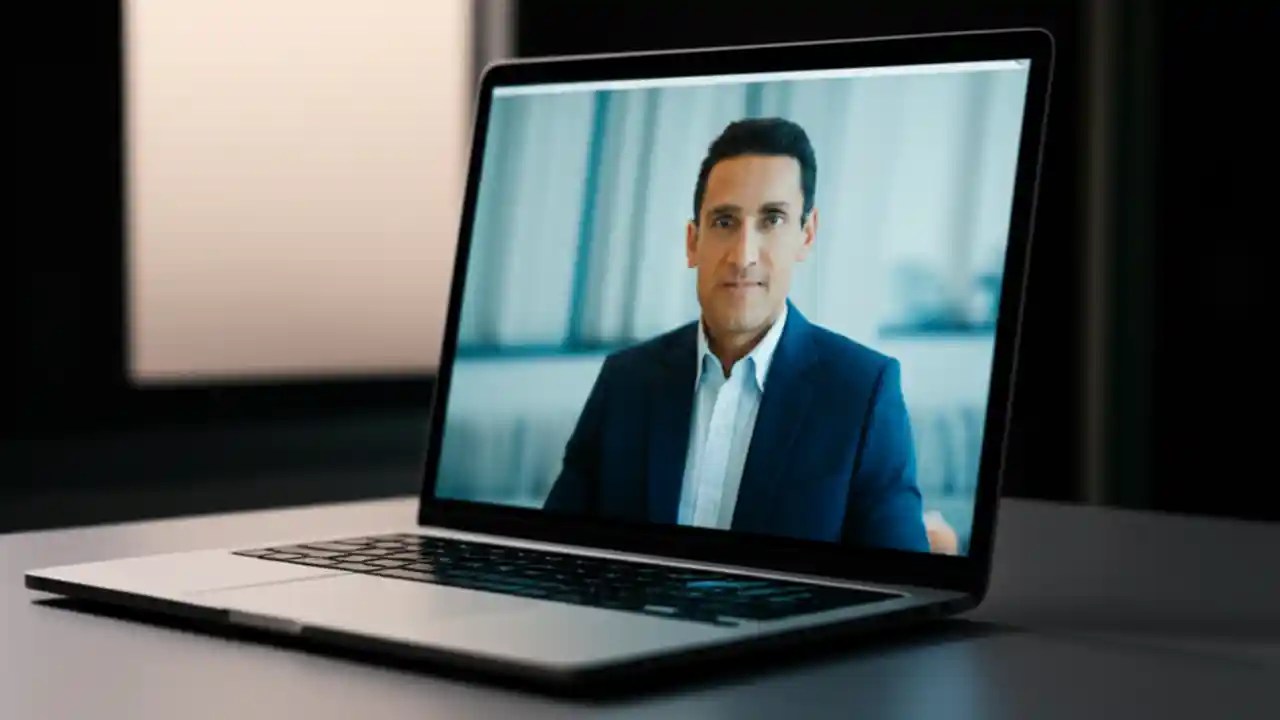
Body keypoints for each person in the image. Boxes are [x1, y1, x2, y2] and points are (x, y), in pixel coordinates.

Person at [544, 117, 928, 552]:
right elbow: (555, 547)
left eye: (773, 219)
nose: (744, 255)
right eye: (725, 222)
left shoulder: (864, 392)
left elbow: (903, 581)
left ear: (806, 235)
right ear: (693, 242)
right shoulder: (624, 380)